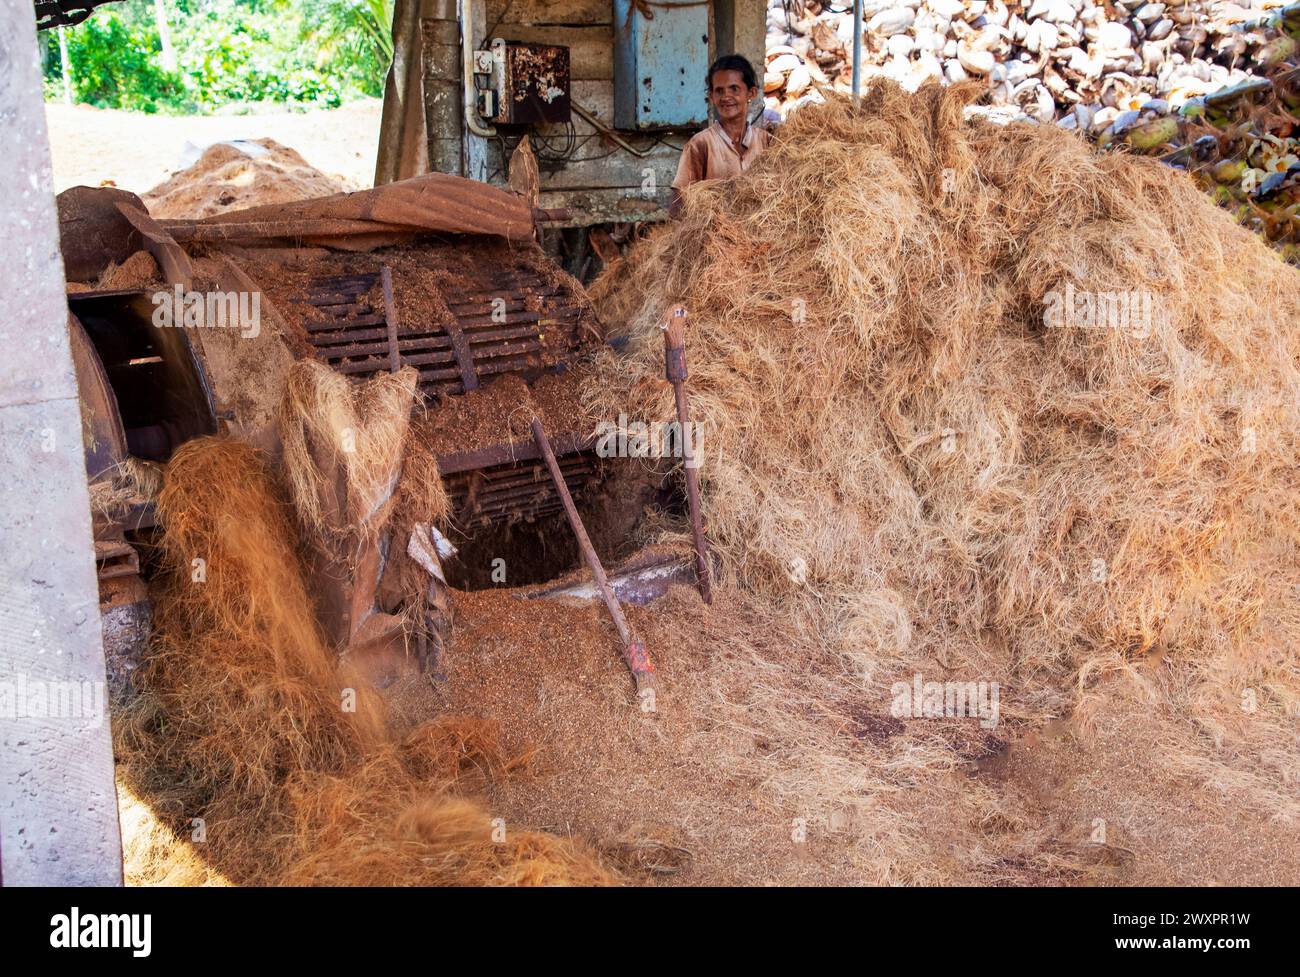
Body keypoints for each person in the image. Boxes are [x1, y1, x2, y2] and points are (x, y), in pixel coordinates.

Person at [669, 54, 770, 217]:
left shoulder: (766, 142)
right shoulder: (701, 144)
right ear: (712, 96)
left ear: (751, 93)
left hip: (760, 238)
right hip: (714, 238)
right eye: (719, 91)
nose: (726, 97)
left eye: (734, 89)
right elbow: (677, 204)